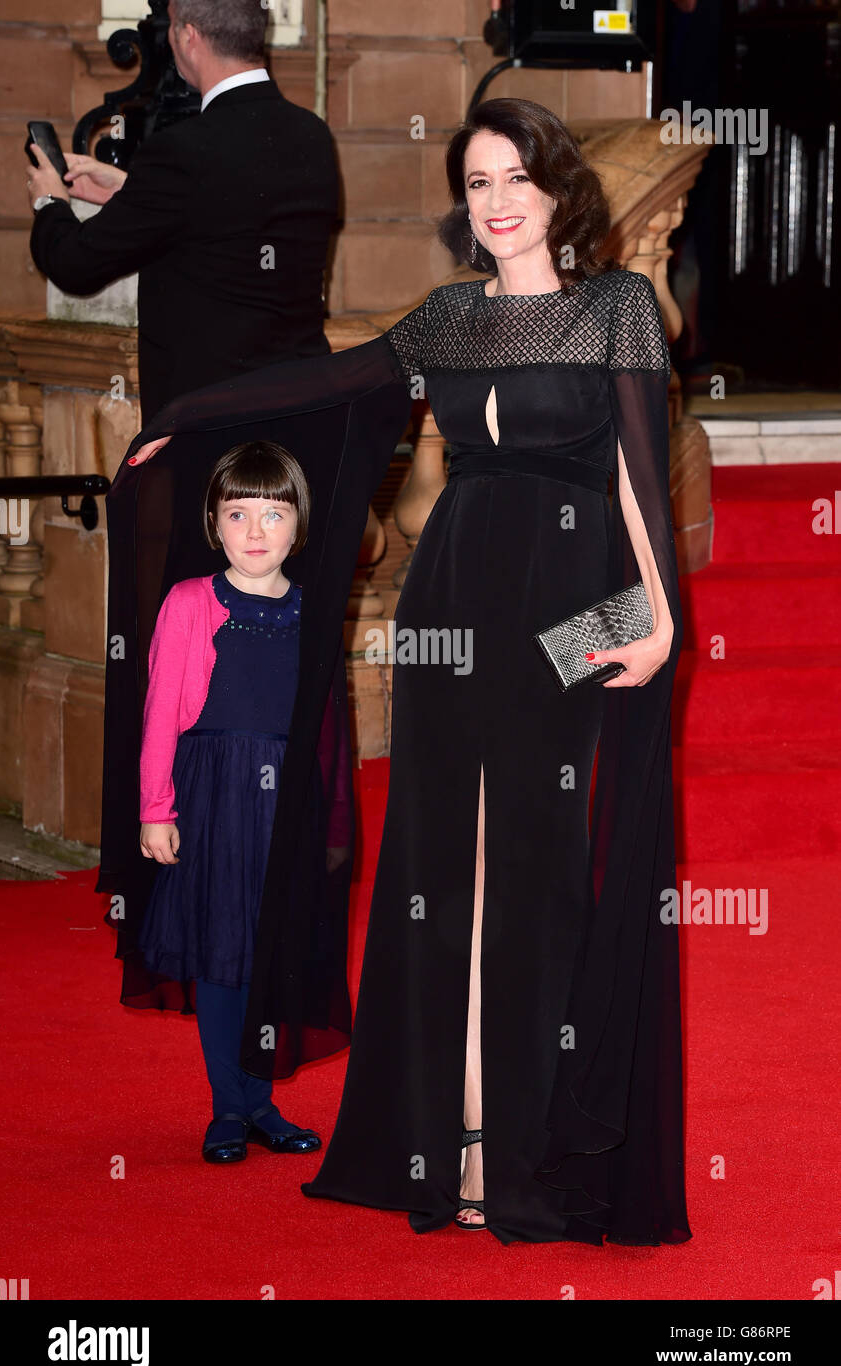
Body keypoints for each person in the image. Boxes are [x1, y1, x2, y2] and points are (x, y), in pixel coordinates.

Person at [106, 96, 691, 1245]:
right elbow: (322, 382)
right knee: (449, 873)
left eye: (516, 174)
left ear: (557, 188)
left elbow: (638, 481)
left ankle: (526, 1141)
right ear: (465, 208)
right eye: (478, 183)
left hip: (571, 620)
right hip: (454, 617)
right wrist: (185, 414)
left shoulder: (617, 308)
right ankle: (453, 1142)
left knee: (535, 873)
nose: (500, 199)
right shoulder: (448, 320)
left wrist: (660, 624)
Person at [137, 439, 323, 1160]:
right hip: (212, 795)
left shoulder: (312, 607)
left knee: (269, 953)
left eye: (272, 515)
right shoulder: (190, 602)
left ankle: (262, 1104)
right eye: (237, 514)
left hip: (285, 804)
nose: (254, 533)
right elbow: (158, 714)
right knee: (222, 953)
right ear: (213, 523)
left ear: (298, 526)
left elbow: (323, 725)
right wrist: (156, 809)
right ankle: (227, 1108)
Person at [25, 0, 339, 421]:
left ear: (188, 36)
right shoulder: (312, 135)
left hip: (207, 433)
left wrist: (50, 200)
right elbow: (233, 220)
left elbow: (75, 264)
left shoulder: (181, 150)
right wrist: (130, 192)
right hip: (298, 414)